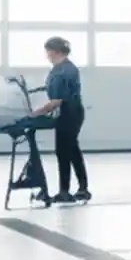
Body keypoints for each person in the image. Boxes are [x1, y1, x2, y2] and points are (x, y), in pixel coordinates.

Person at [29, 37, 90, 204]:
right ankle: (82, 188)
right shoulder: (65, 68)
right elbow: (53, 89)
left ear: (55, 51)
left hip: (68, 113)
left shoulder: (62, 70)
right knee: (72, 150)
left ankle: (65, 191)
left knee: (63, 152)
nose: (46, 55)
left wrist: (36, 113)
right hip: (73, 111)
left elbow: (56, 100)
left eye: (47, 51)